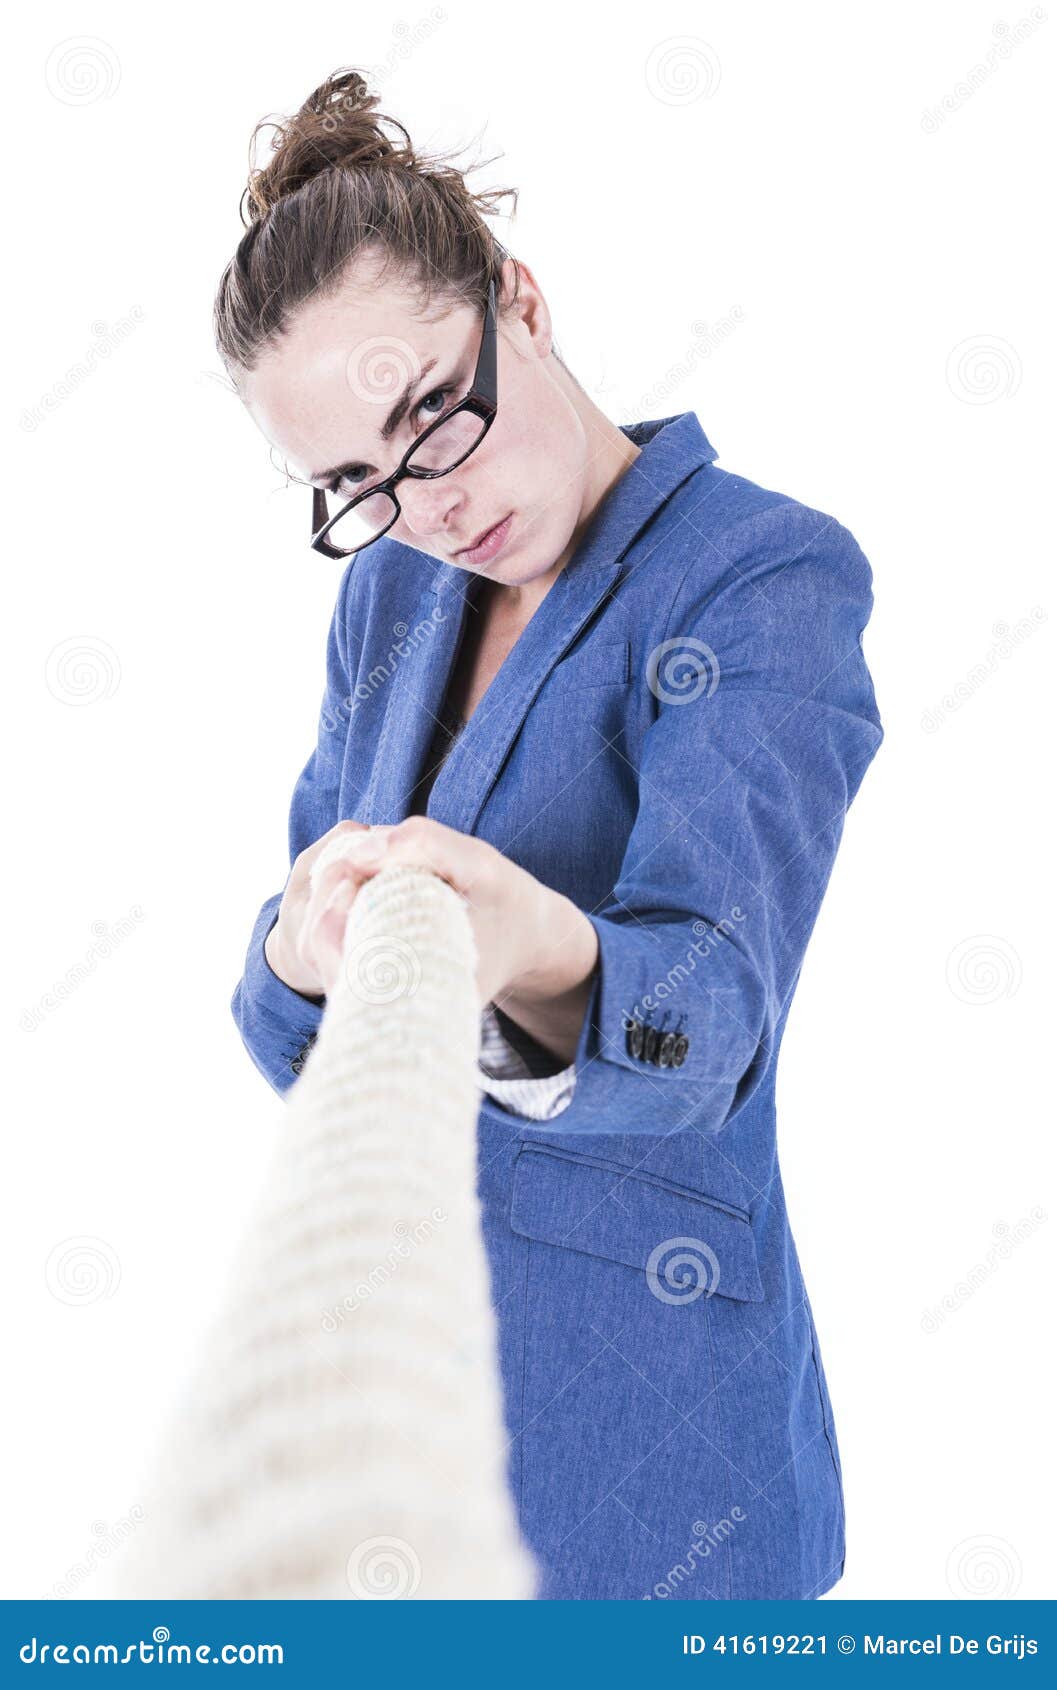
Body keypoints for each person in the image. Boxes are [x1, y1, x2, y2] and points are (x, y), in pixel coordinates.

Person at [220, 67, 885, 1601]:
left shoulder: (760, 574)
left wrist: (535, 947)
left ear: (516, 296)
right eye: (355, 482)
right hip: (396, 1445)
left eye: (428, 418)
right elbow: (300, 1038)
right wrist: (297, 940)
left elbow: (714, 1021)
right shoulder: (384, 592)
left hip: (657, 1468)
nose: (427, 506)